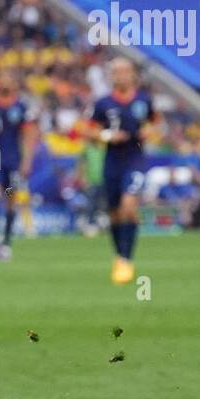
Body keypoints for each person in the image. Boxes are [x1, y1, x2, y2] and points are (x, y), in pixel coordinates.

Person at [83, 58, 156, 284]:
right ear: (111, 76)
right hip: (112, 161)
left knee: (128, 205)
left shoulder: (143, 100)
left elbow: (155, 123)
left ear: (133, 74)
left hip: (134, 159)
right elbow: (89, 131)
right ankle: (119, 255)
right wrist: (107, 136)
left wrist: (148, 132)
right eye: (117, 72)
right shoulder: (103, 103)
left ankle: (126, 259)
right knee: (114, 212)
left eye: (125, 71)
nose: (121, 75)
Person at [0, 71, 36, 261]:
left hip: (13, 161)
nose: (5, 82)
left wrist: (27, 161)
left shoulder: (20, 107)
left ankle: (7, 241)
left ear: (14, 84)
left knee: (10, 198)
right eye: (2, 79)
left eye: (8, 79)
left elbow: (28, 135)